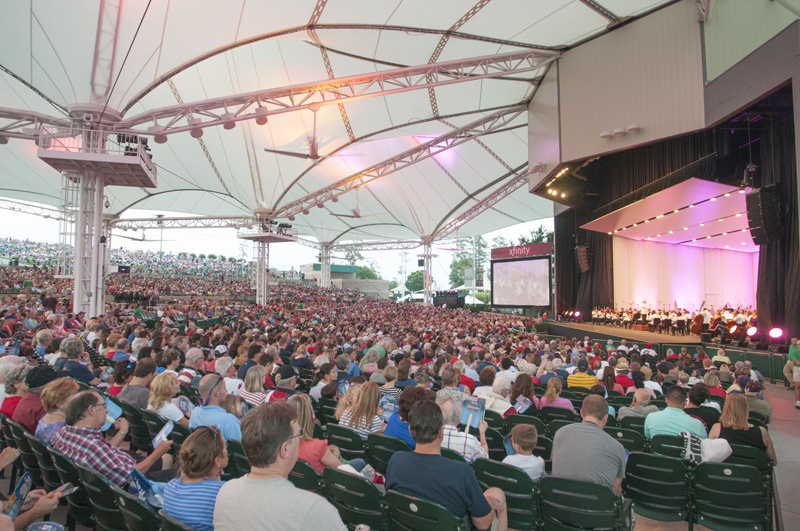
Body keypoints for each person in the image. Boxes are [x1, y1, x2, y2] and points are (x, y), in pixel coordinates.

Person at [213, 401, 346, 531]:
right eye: (299, 434)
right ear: (285, 449)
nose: (301, 439)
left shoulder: (224, 493)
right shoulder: (314, 509)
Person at [385, 400, 508, 531]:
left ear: (410, 430)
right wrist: (489, 501)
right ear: (441, 433)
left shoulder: (396, 461)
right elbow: (483, 524)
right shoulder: (461, 472)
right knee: (497, 494)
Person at [51, 391, 173, 487]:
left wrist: (122, 431)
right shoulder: (93, 446)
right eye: (103, 406)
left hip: (107, 476)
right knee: (177, 470)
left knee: (166, 459)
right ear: (91, 410)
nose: (107, 410)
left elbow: (102, 455)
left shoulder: (62, 433)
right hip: (128, 487)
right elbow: (129, 477)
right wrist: (157, 452)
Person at [552, 395, 626, 493]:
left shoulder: (560, 433)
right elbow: (615, 490)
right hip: (597, 506)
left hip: (558, 503)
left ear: (581, 413)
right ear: (606, 418)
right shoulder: (618, 447)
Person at [163, 426, 228, 531]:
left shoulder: (170, 487)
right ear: (217, 461)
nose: (226, 449)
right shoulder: (222, 492)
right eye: (225, 446)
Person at [708, 394, 777, 465]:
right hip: (751, 474)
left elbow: (708, 454)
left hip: (721, 473)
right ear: (746, 408)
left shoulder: (717, 428)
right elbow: (773, 462)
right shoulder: (762, 432)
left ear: (726, 408)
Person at [288, 393, 344, 473]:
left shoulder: (275, 444)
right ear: (309, 418)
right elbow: (343, 471)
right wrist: (337, 455)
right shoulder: (317, 446)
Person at [436, 393, 489, 463]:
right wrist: (482, 434)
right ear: (459, 417)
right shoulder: (470, 440)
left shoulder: (430, 436)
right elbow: (484, 460)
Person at [190, 374, 242, 441]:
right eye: (224, 388)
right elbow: (241, 449)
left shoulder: (194, 413)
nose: (226, 391)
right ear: (216, 393)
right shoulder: (229, 421)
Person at [34, 377, 79, 446]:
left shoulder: (46, 416)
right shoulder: (64, 430)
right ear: (60, 403)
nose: (79, 399)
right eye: (75, 396)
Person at [789, 337, 800, 409]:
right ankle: (798, 402)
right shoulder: (794, 352)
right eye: (798, 344)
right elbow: (797, 362)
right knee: (798, 385)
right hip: (797, 369)